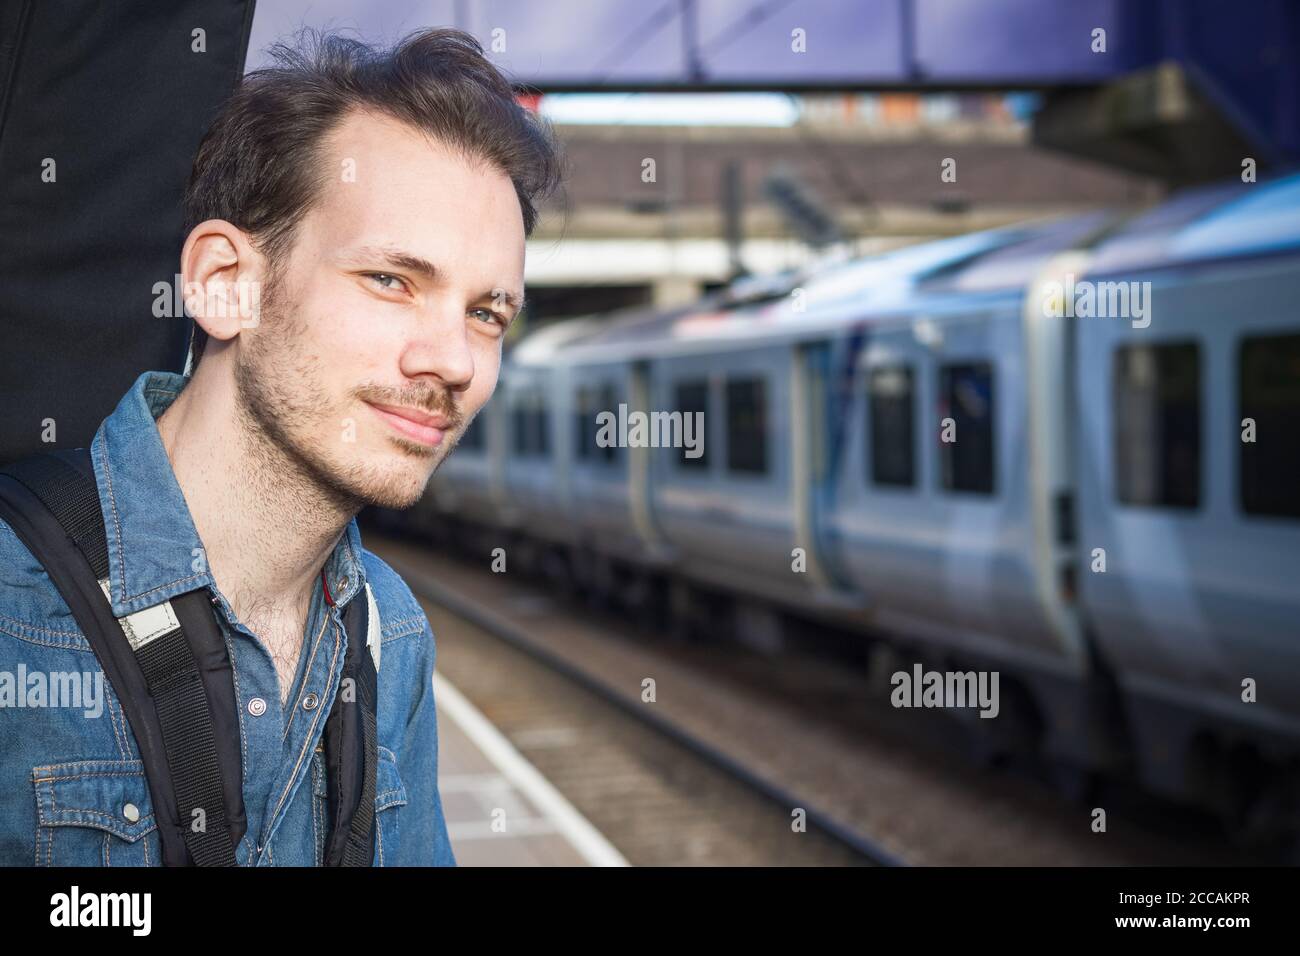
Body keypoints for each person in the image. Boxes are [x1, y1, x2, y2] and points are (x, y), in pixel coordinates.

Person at [0, 26, 562, 866]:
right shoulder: (13, 606)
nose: (452, 360)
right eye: (391, 280)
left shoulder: (388, 634)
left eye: (486, 314)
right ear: (226, 285)